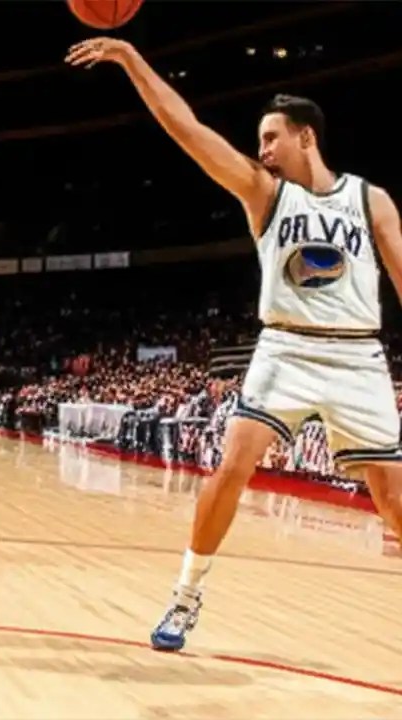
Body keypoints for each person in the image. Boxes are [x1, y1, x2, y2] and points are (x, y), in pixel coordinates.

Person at [68, 38, 402, 651]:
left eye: (271, 137)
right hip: (286, 349)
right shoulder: (264, 194)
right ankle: (185, 596)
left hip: (359, 353)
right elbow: (188, 130)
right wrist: (132, 59)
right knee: (231, 467)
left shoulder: (370, 199)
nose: (261, 149)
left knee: (392, 497)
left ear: (307, 136)